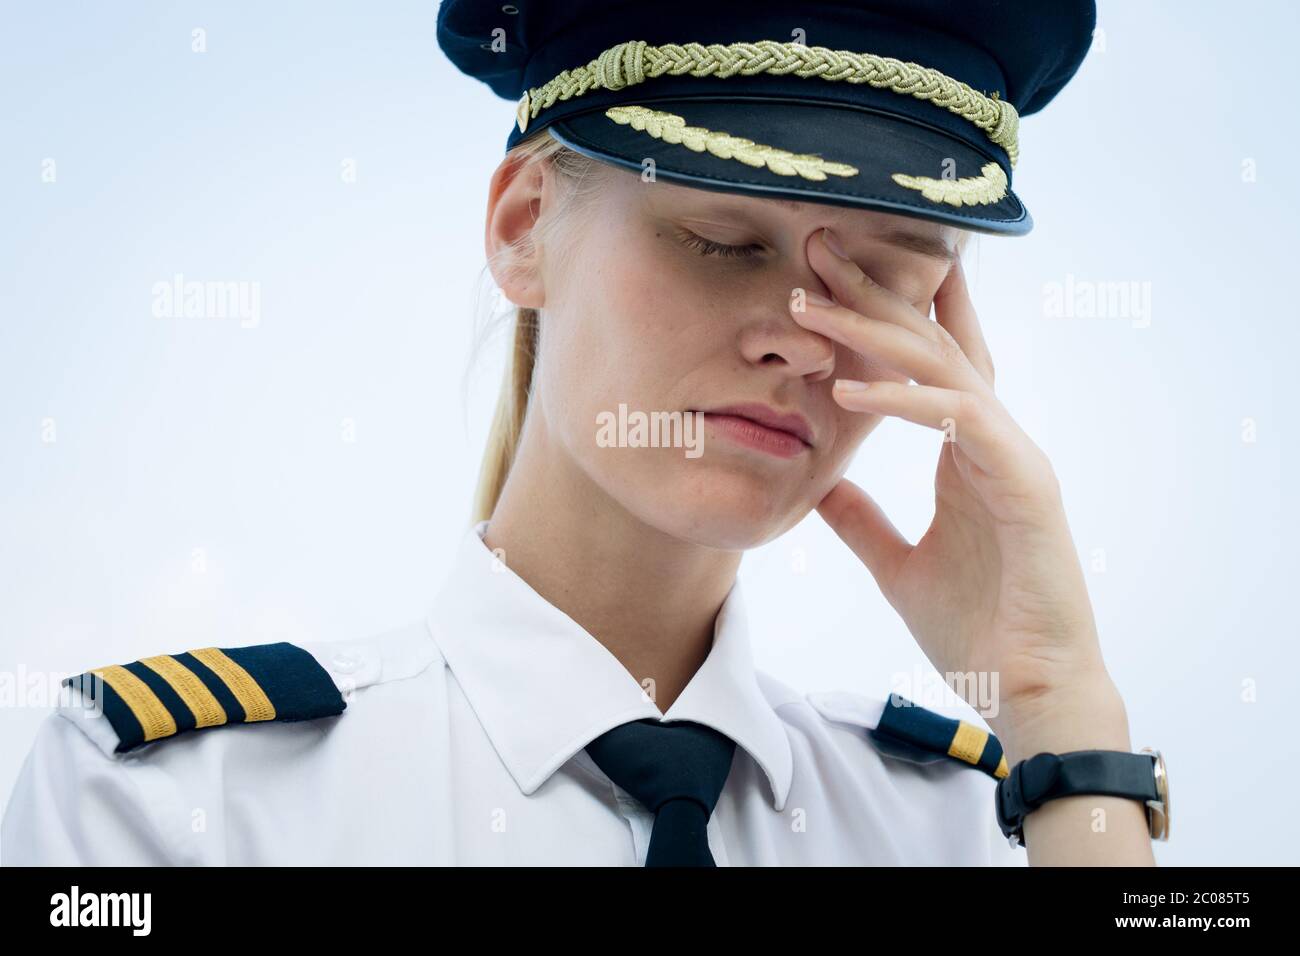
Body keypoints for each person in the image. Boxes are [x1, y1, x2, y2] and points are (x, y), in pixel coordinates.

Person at [1, 0, 1170, 866]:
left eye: (880, 280)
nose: (806, 341)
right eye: (722, 241)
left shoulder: (978, 823)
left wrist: (1059, 713)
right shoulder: (168, 805)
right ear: (521, 226)